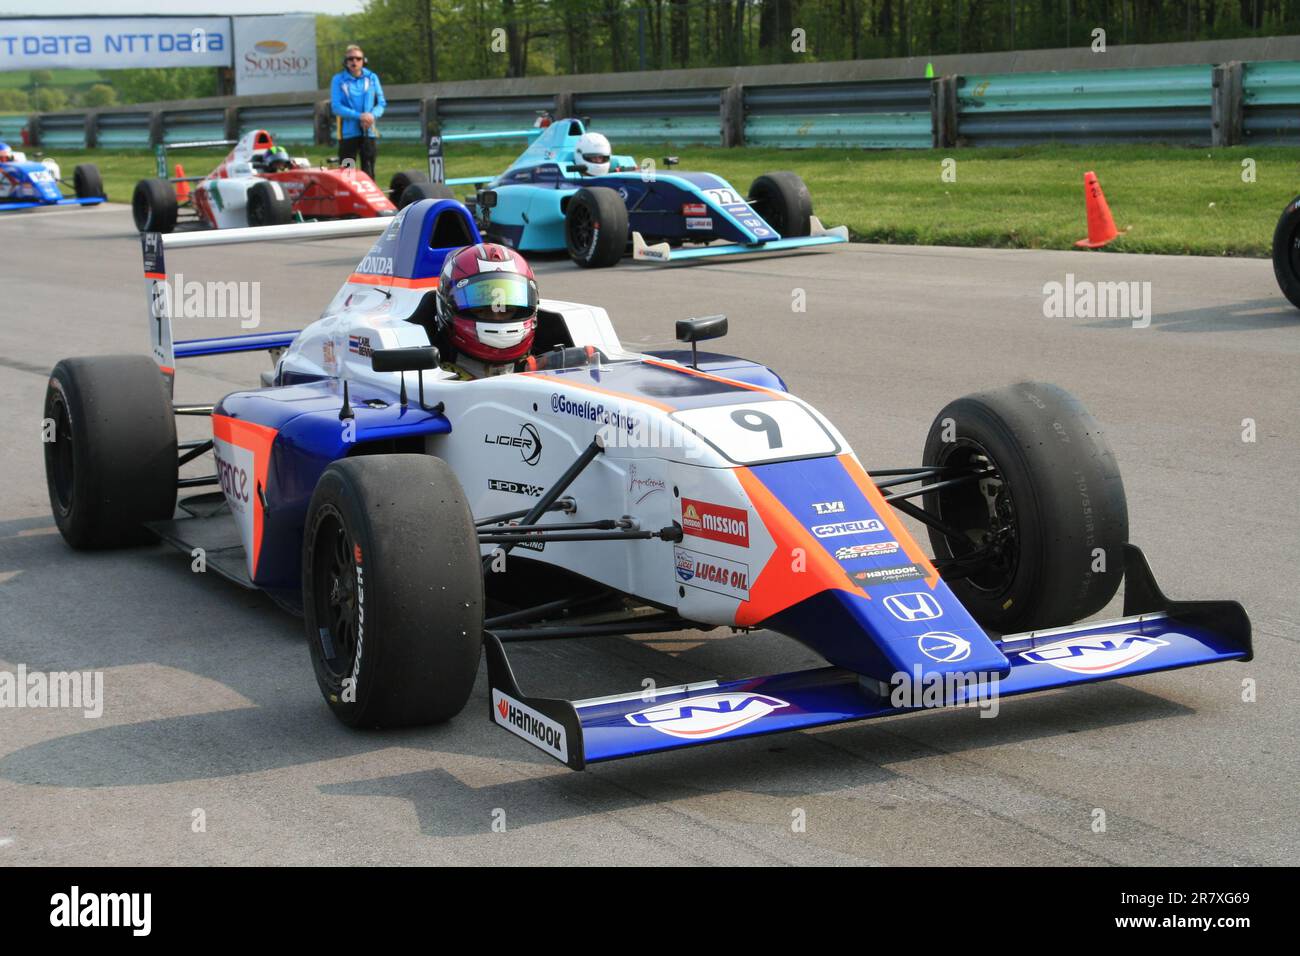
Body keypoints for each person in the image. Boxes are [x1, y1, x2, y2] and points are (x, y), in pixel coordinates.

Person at [330, 45, 386, 181]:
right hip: (348, 133)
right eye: (350, 59)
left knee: (369, 172)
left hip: (368, 131)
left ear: (363, 61)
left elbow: (381, 103)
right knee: (347, 173)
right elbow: (336, 107)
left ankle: (368, 201)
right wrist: (359, 116)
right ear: (346, 61)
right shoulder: (338, 80)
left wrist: (372, 115)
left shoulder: (372, 78)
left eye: (358, 58)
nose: (354, 61)